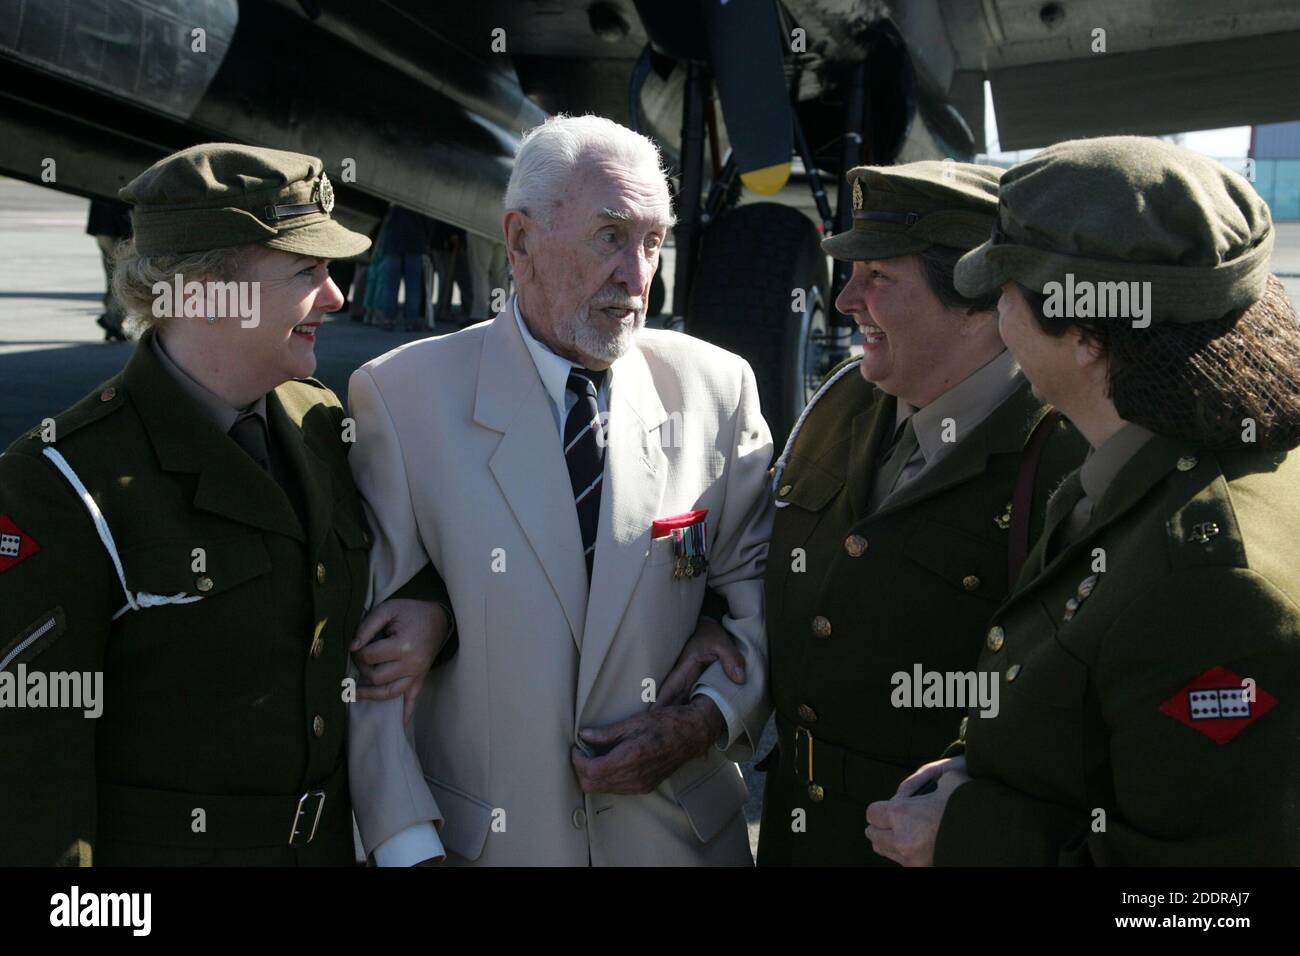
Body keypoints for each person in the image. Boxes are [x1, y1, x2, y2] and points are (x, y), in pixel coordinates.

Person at [346, 114, 774, 866]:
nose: (639, 278)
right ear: (519, 241)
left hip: (678, 841)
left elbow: (759, 592)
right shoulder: (402, 397)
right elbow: (371, 663)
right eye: (611, 237)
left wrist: (706, 719)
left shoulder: (717, 386)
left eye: (653, 242)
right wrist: (408, 847)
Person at [0, 143, 440, 865]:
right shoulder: (60, 481)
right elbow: (31, 774)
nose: (334, 297)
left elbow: (395, 561)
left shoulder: (320, 421)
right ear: (206, 290)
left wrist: (431, 612)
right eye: (307, 272)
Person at [866, 137, 1300, 866]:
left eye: (1004, 291)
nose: (996, 314)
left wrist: (969, 834)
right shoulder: (1163, 471)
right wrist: (986, 771)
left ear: (1088, 335)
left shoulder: (1210, 584)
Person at [755, 161, 1087, 866]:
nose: (845, 300)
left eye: (878, 277)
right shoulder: (841, 403)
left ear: (977, 300)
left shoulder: (1065, 456)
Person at [85, 198, 133, 341]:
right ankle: (111, 319)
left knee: (113, 277)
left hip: (103, 230)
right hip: (116, 232)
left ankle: (114, 324)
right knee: (126, 278)